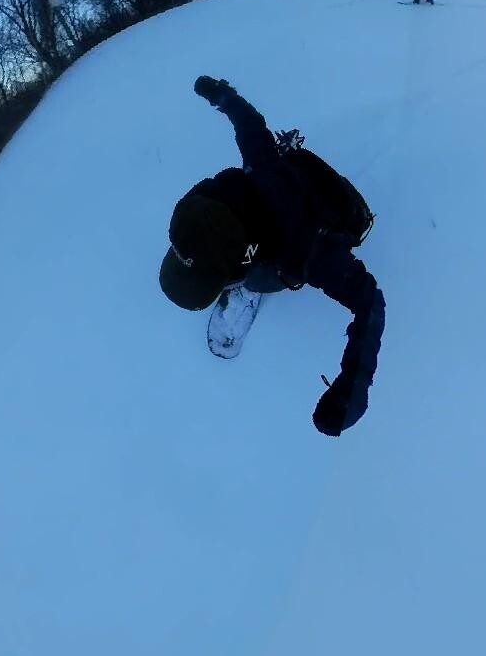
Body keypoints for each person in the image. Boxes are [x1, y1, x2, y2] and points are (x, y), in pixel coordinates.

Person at [159, 76, 385, 438]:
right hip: (285, 181)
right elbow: (249, 123)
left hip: (334, 215)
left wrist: (353, 384)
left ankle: (249, 282)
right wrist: (224, 96)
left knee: (265, 277)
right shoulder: (257, 170)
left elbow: (370, 302)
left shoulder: (306, 253)